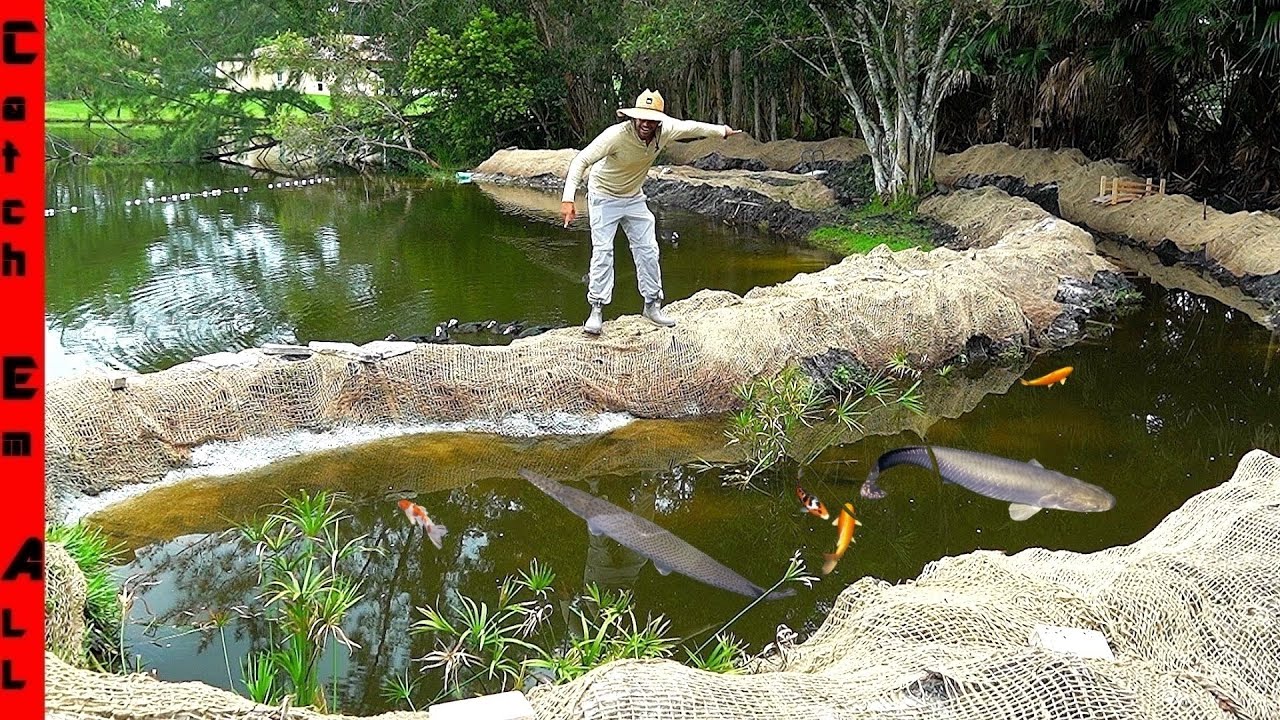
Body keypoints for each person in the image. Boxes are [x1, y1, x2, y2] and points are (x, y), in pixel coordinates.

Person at [561, 89, 741, 335]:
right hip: (604, 196)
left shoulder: (665, 130)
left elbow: (691, 127)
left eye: (651, 119)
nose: (646, 124)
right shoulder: (616, 135)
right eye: (641, 118)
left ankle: (652, 305)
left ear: (659, 121)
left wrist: (721, 131)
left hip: (634, 197)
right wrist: (568, 199)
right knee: (603, 251)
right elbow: (581, 161)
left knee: (648, 250)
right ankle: (596, 309)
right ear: (633, 117)